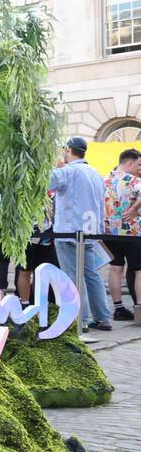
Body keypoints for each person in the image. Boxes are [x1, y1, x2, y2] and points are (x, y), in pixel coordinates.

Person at [49, 137, 113, 331]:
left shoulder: (68, 172)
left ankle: (80, 319)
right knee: (91, 275)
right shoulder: (95, 173)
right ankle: (102, 317)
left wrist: (55, 165)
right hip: (90, 232)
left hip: (70, 232)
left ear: (68, 150)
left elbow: (46, 182)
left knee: (73, 276)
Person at [103, 148, 141, 320]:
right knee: (140, 270)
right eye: (139, 164)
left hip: (109, 232)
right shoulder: (133, 181)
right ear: (129, 163)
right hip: (132, 232)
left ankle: (118, 308)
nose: (140, 168)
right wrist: (134, 208)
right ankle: (140, 308)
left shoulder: (104, 179)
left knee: (115, 269)